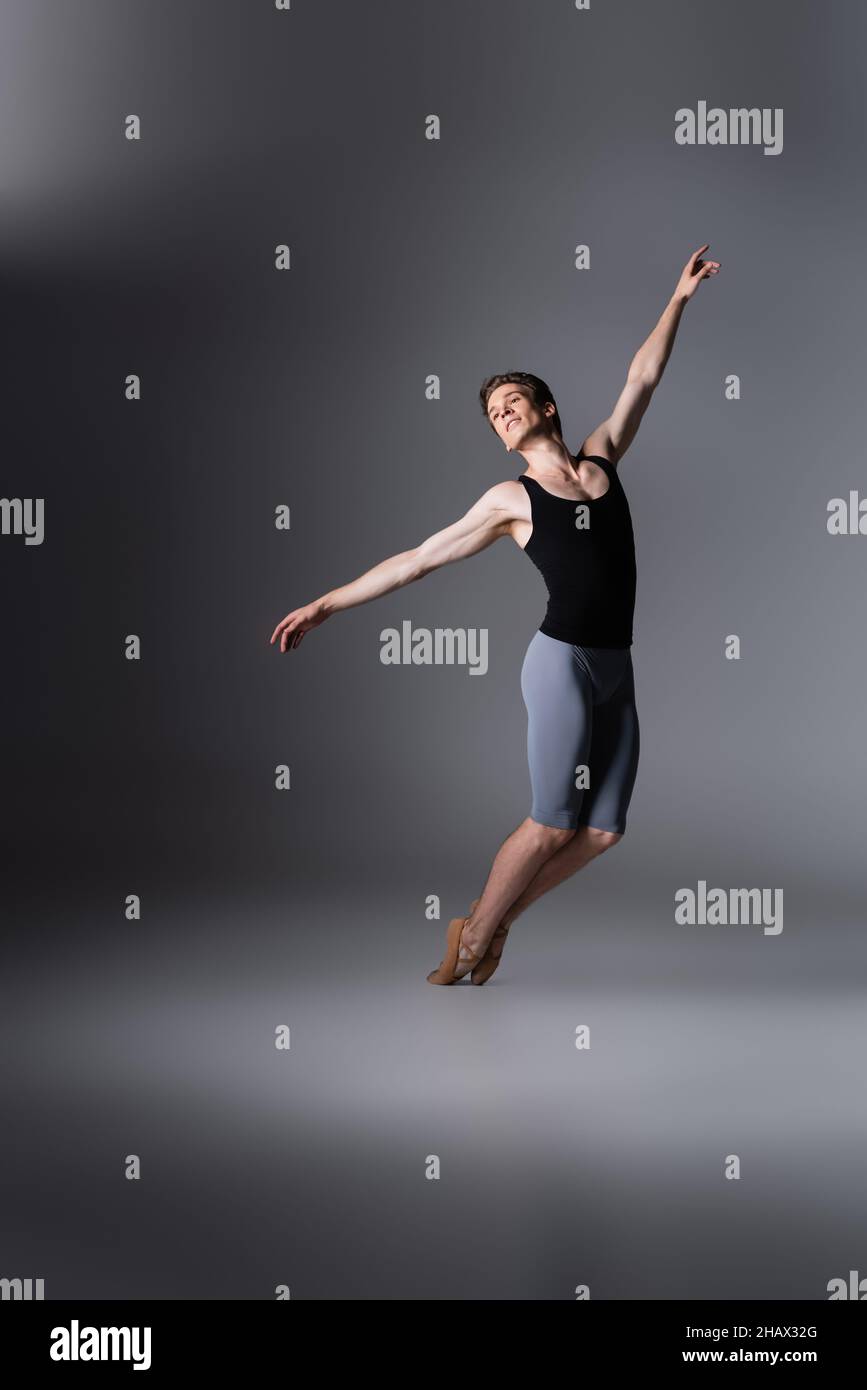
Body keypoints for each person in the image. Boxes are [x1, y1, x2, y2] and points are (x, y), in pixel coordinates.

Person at [270, 245, 721, 985]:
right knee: (551, 822)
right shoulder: (509, 501)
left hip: (617, 666)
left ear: (545, 408)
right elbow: (416, 558)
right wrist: (325, 602)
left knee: (602, 830)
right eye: (491, 415)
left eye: (510, 402)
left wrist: (678, 298)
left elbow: (642, 376)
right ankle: (475, 940)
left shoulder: (601, 459)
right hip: (562, 664)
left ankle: (487, 919)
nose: (500, 415)